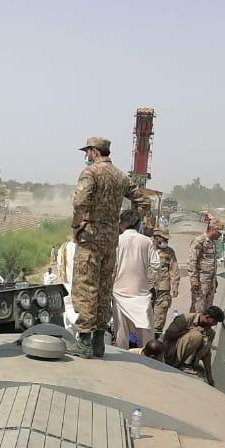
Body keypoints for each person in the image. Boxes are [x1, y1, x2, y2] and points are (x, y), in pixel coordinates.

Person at [69, 136, 150, 358]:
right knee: (104, 288)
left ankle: (84, 341)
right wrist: (124, 223)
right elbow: (144, 201)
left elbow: (79, 202)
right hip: (111, 238)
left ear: (94, 152)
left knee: (86, 287)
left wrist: (78, 225)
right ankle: (98, 342)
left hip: (91, 237)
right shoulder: (120, 176)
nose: (86, 156)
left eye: (87, 152)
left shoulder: (91, 173)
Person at [111, 212, 154, 349]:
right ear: (137, 224)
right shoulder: (146, 241)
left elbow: (111, 266)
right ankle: (147, 360)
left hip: (119, 294)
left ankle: (123, 365)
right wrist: (149, 284)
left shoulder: (116, 241)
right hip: (141, 296)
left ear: (121, 224)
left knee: (121, 335)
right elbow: (156, 266)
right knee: (146, 336)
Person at [160, 306, 225, 387]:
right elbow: (169, 335)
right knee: (196, 335)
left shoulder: (209, 331)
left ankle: (192, 363)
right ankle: (183, 364)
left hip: (188, 358)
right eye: (214, 321)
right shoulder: (185, 318)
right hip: (171, 353)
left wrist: (210, 377)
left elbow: (207, 353)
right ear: (207, 317)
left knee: (205, 339)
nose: (215, 324)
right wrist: (187, 332)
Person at [189, 223, 222, 312]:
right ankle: (194, 325)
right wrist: (194, 279)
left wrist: (214, 279)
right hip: (201, 281)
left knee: (207, 310)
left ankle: (203, 326)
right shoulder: (199, 241)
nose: (220, 235)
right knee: (198, 308)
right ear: (212, 230)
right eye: (219, 232)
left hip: (210, 281)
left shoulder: (212, 243)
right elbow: (192, 261)